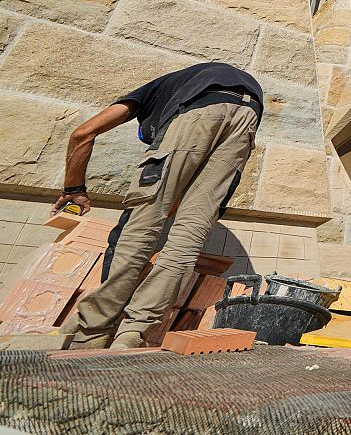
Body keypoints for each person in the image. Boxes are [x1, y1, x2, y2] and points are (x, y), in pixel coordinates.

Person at [55, 61, 263, 350]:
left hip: (200, 106)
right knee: (187, 237)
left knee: (139, 227)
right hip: (249, 117)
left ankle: (92, 331)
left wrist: (73, 190)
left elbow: (82, 133)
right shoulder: (180, 85)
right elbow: (177, 201)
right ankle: (132, 333)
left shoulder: (148, 95)